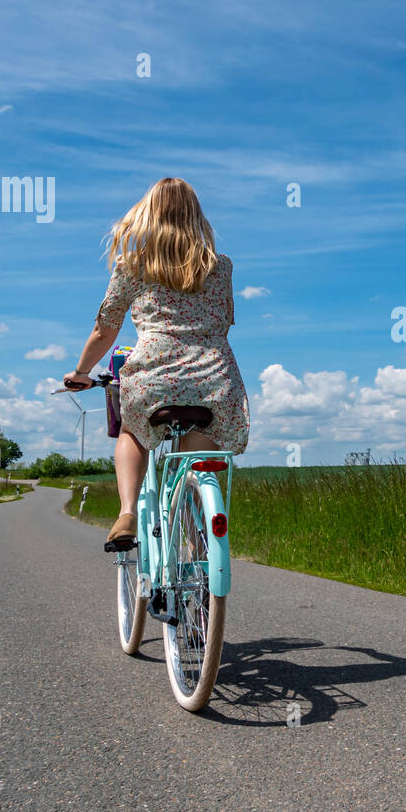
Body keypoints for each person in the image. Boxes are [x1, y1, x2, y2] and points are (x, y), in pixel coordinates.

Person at [62, 178, 249, 548]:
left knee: (133, 431)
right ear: (196, 217)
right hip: (214, 378)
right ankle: (199, 544)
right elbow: (225, 321)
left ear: (148, 215)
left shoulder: (132, 265)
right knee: (194, 459)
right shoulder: (221, 266)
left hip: (154, 375)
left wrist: (81, 373)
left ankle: (127, 513)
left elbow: (105, 329)